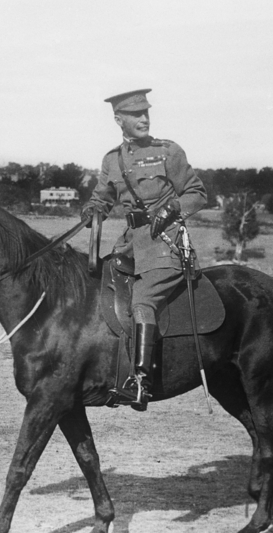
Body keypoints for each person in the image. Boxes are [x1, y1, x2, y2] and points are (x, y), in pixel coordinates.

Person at [81, 89, 207, 409]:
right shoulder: (113, 160)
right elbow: (102, 198)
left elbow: (197, 193)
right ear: (118, 119)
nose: (144, 118)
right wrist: (92, 209)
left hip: (165, 245)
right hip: (129, 245)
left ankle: (140, 381)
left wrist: (171, 210)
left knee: (142, 301)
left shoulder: (168, 151)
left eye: (146, 112)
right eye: (136, 114)